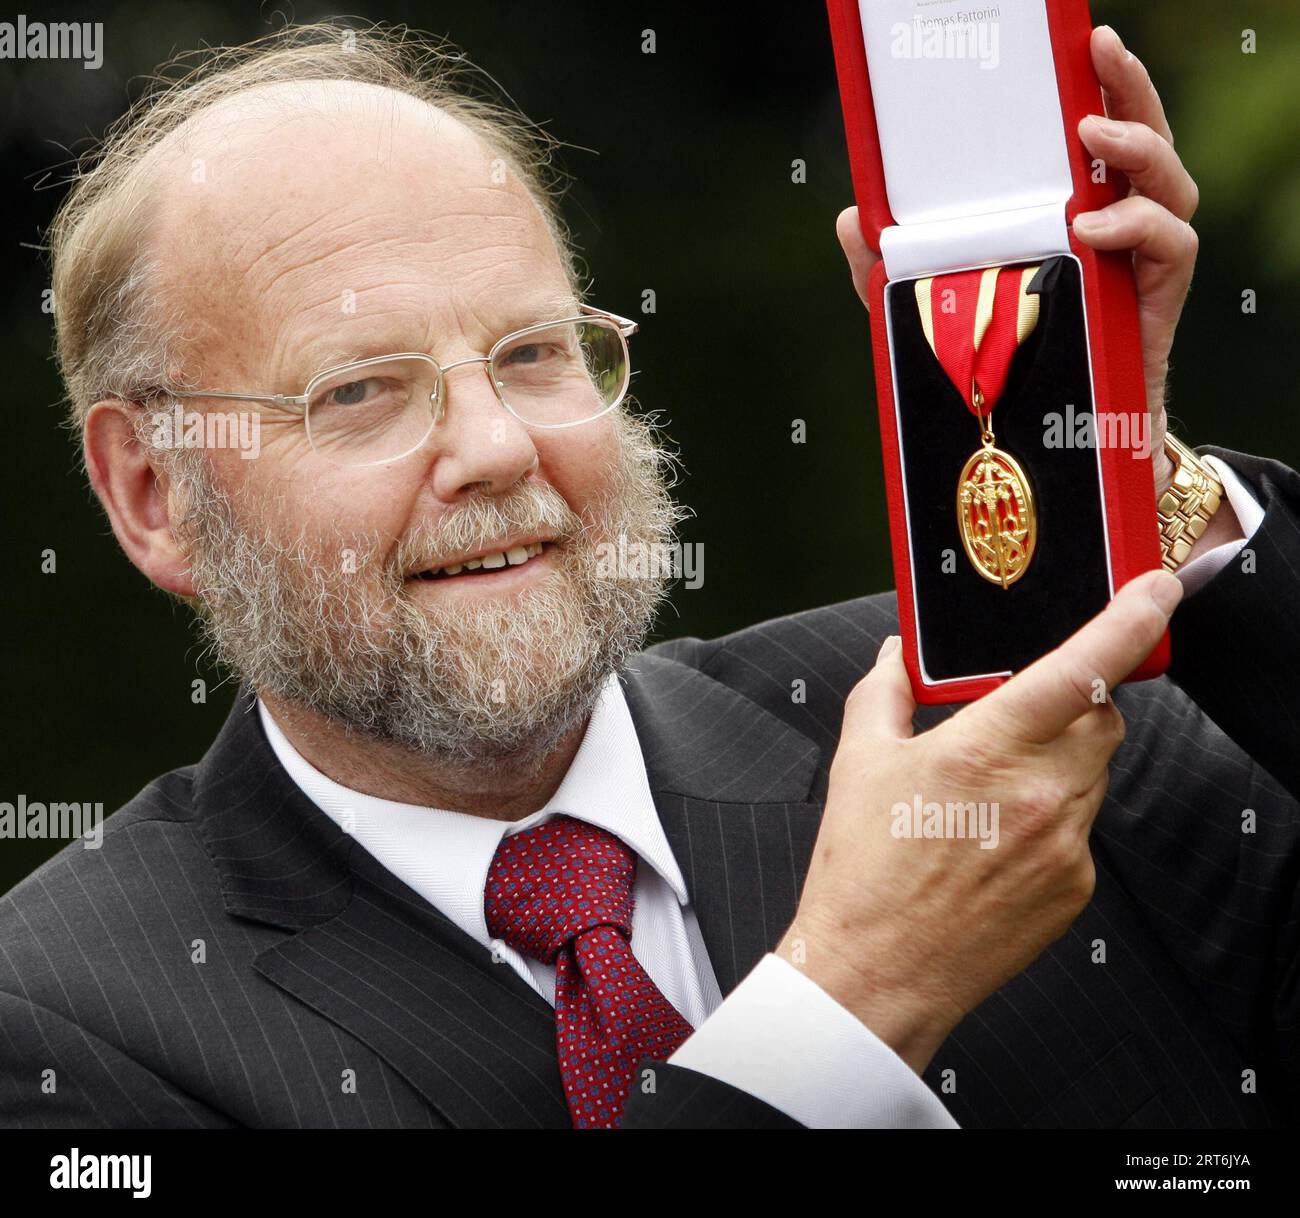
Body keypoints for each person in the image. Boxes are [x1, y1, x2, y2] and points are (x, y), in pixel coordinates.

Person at [1, 21, 1295, 1129]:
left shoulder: (992, 713)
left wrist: (1115, 470)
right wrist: (845, 1005)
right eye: (358, 391)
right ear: (153, 494)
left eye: (532, 351)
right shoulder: (65, 1025)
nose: (499, 449)